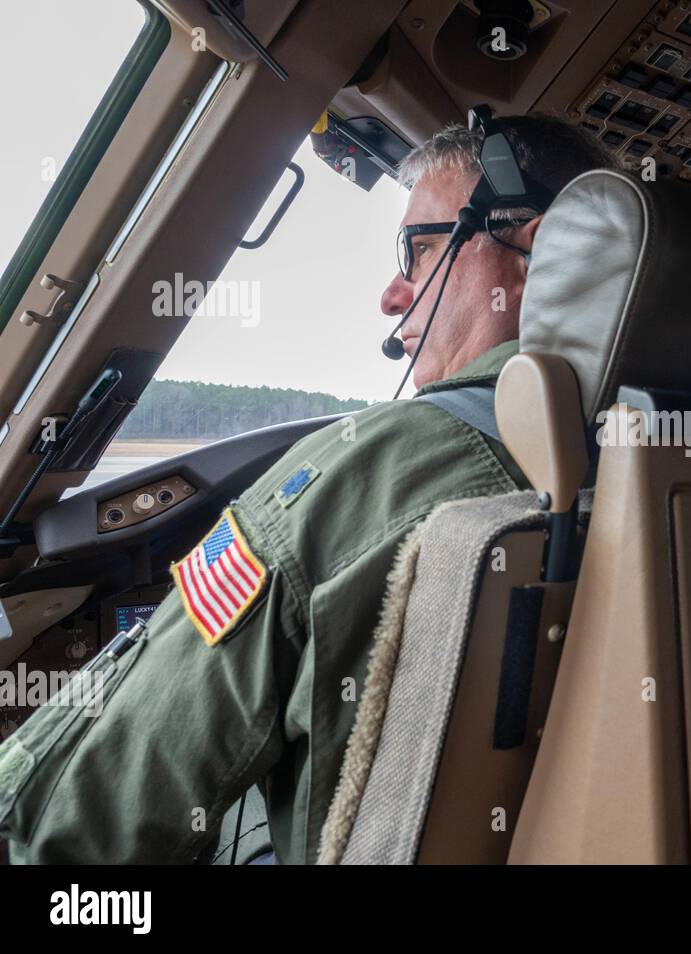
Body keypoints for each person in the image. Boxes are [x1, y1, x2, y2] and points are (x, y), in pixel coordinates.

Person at [0, 115, 611, 864]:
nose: (394, 297)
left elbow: (91, 822)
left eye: (421, 250)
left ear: (536, 252)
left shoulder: (358, 476)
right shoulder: (684, 461)